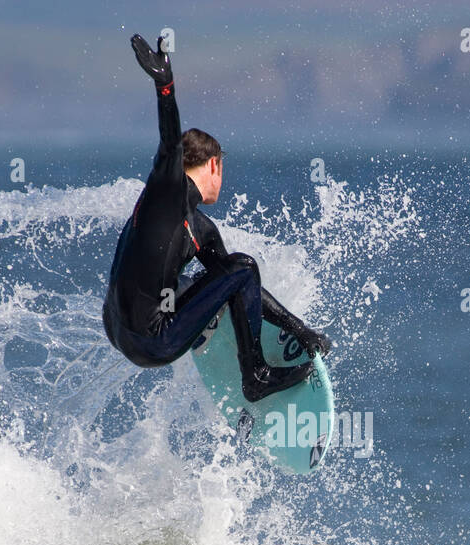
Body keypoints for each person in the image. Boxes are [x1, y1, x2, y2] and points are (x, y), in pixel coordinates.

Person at [103, 33, 331, 402]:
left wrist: (300, 330)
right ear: (213, 164)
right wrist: (165, 85)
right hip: (151, 340)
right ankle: (255, 375)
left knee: (232, 273)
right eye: (222, 170)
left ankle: (248, 360)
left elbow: (241, 283)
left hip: (120, 330)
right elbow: (169, 143)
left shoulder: (199, 229)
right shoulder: (167, 192)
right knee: (240, 266)